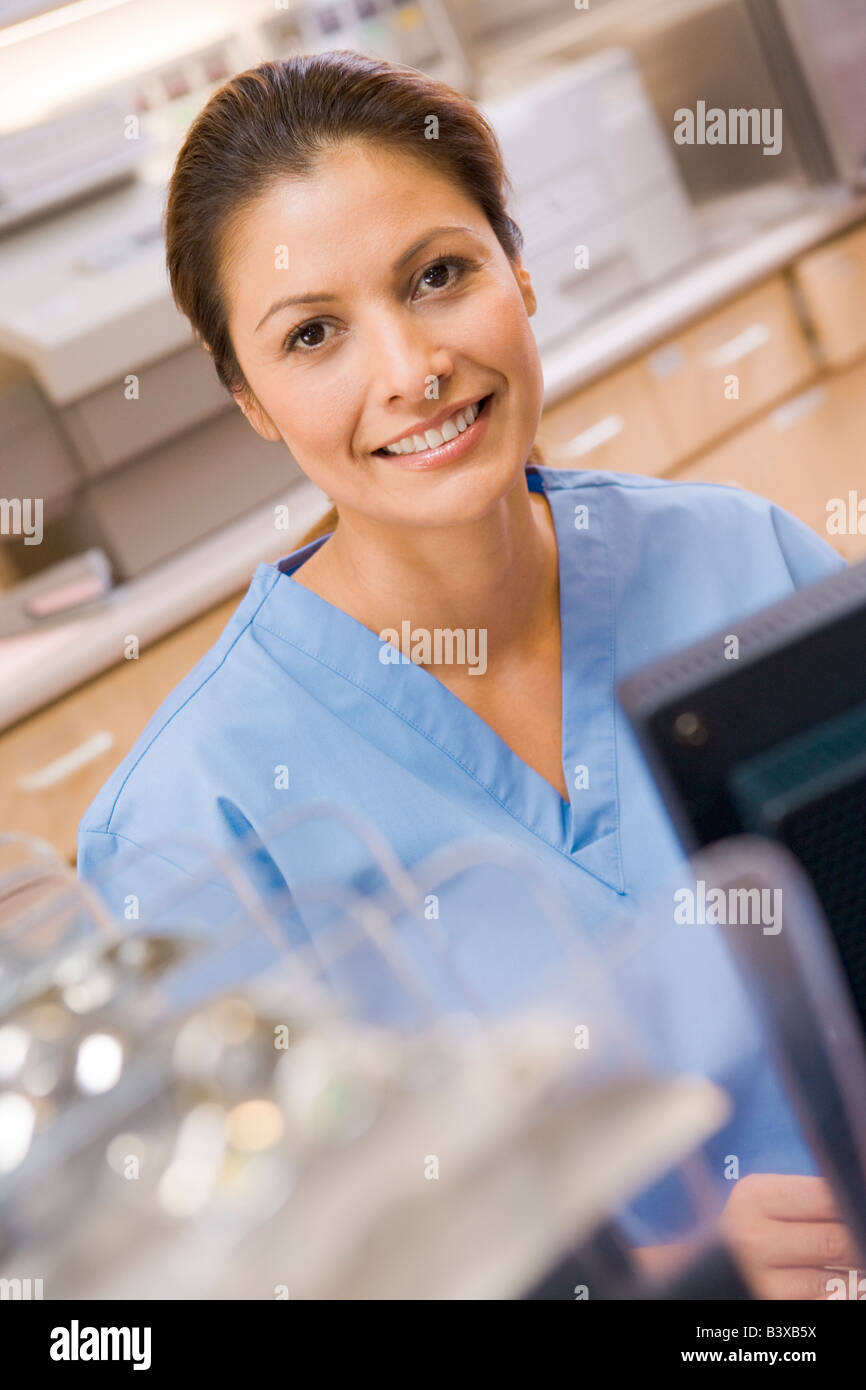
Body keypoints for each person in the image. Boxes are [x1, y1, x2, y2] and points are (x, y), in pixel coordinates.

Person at [77, 52, 857, 1294]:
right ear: (251, 398)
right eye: (314, 334)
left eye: (438, 275)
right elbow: (291, 1272)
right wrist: (664, 1278)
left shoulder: (740, 555)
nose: (410, 370)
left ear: (517, 270)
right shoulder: (194, 823)